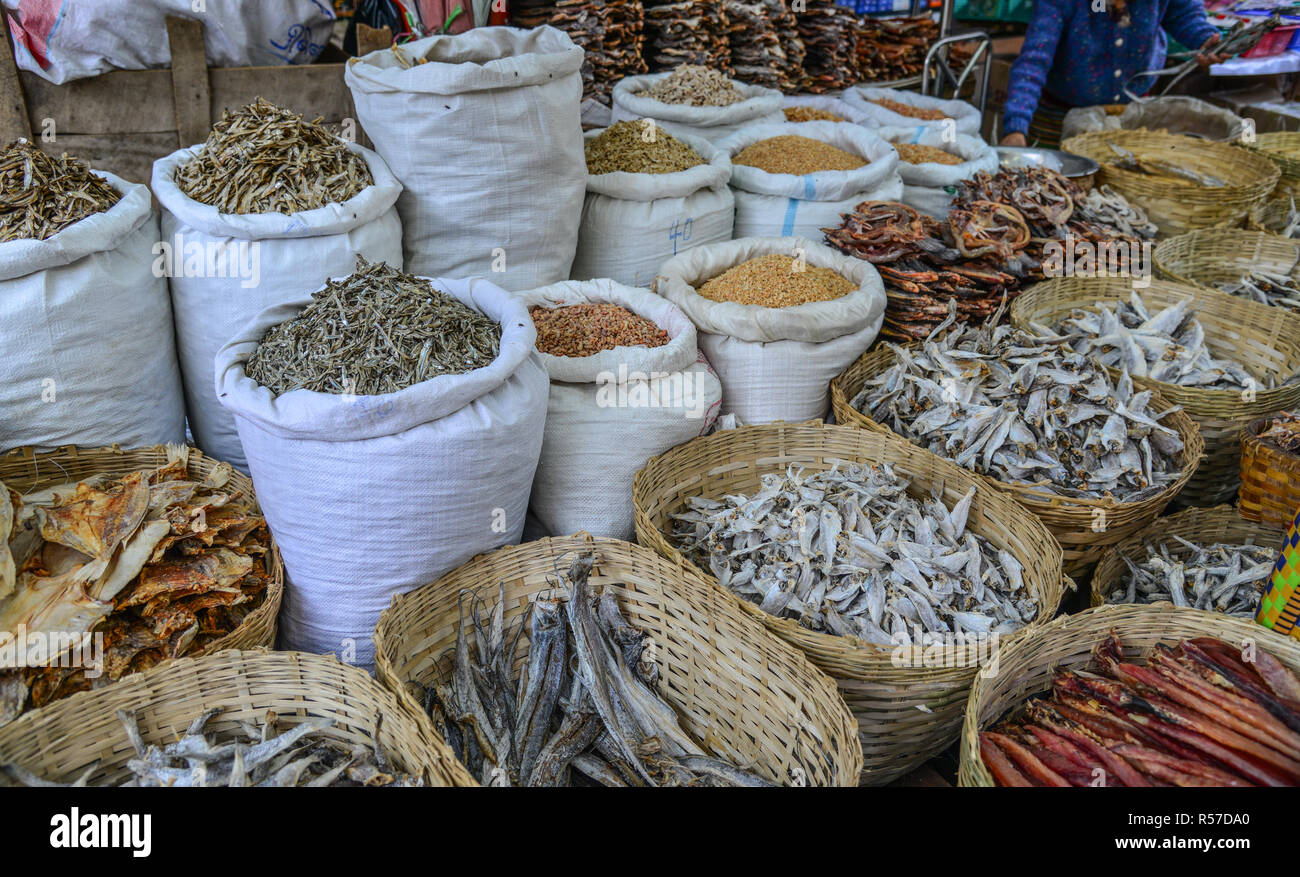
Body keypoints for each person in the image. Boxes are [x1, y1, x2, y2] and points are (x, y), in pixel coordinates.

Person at [1000, 0, 1228, 147]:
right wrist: (1016, 127)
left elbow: (1184, 14)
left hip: (1131, 113)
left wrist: (1204, 38)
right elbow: (1033, 61)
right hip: (1058, 116)